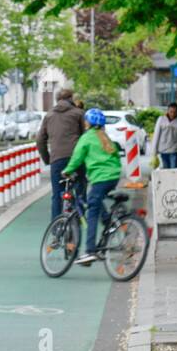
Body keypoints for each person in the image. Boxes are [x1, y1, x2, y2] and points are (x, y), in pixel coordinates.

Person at [64, 109, 123, 266]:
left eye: (85, 121)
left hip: (100, 178)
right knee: (95, 199)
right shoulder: (106, 138)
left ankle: (90, 251)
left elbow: (77, 157)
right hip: (113, 177)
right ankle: (107, 221)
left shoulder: (87, 137)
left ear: (89, 123)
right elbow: (116, 156)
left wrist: (67, 171)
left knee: (91, 210)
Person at [36, 88, 86, 220]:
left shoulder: (49, 115)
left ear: (57, 100)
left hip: (57, 159)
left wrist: (48, 159)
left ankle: (56, 227)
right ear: (71, 98)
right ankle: (80, 218)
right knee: (80, 188)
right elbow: (85, 138)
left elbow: (40, 140)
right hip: (76, 158)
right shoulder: (78, 113)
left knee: (57, 194)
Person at [151, 102, 177, 169]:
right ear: (167, 111)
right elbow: (156, 135)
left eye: (175, 112)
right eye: (171, 112)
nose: (172, 114)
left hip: (174, 149)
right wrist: (154, 151)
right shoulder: (161, 119)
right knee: (166, 169)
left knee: (173, 170)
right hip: (163, 150)